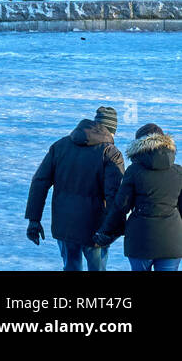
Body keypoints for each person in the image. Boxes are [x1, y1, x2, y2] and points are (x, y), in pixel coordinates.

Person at [25, 107, 124, 272]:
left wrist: (34, 219)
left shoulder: (60, 146)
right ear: (112, 130)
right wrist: (114, 228)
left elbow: (39, 182)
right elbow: (114, 194)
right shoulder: (110, 153)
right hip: (96, 229)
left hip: (64, 225)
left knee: (70, 267)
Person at [94, 123, 182, 271]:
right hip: (172, 240)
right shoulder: (178, 172)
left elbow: (121, 207)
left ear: (138, 145)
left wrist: (106, 231)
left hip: (140, 239)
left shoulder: (134, 171)